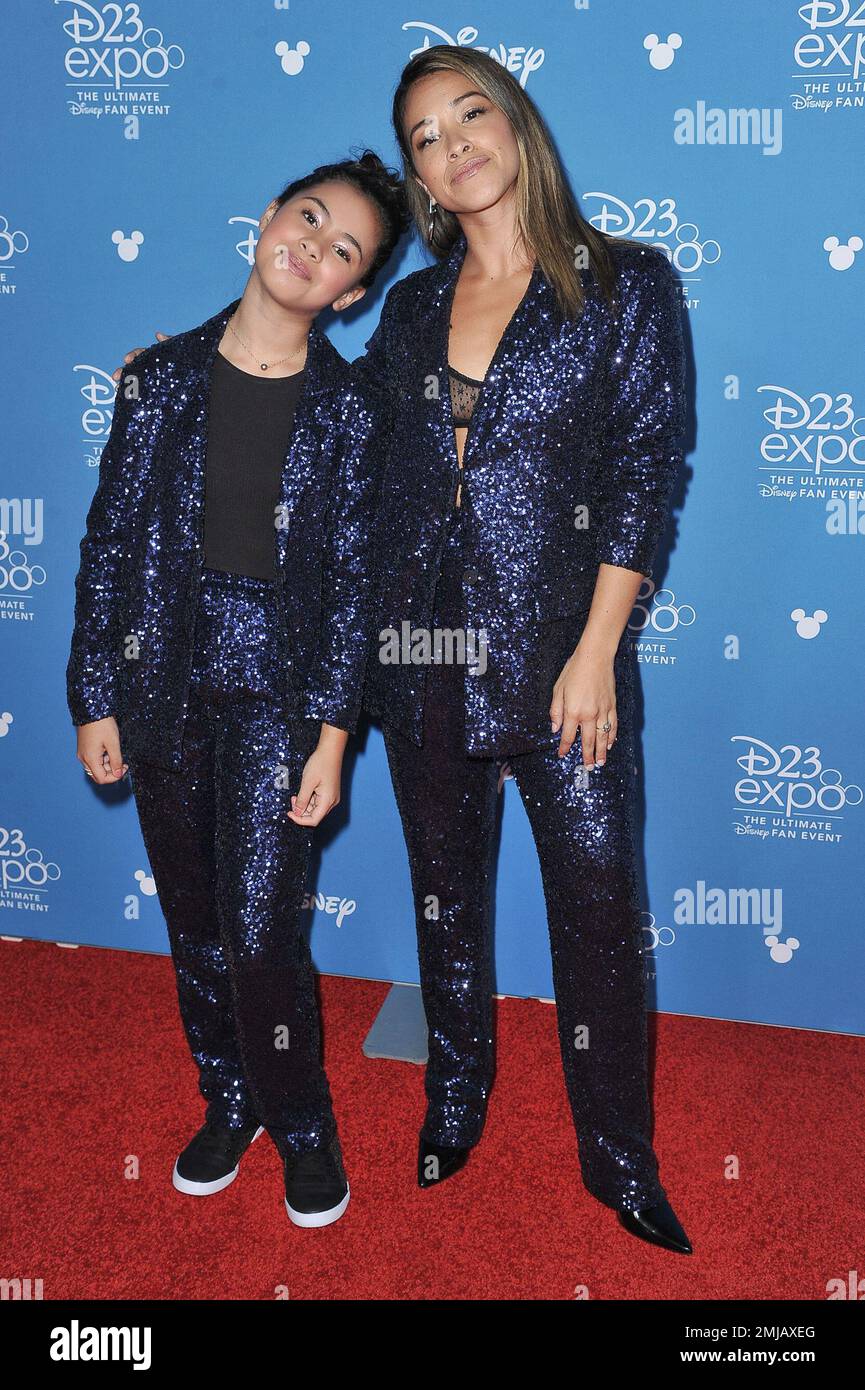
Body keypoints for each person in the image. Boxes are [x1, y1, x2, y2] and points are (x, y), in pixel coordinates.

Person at [351, 48, 693, 1255]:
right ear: (420, 177)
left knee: (597, 912)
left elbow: (647, 473)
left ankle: (617, 1155)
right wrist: (187, 370)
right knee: (445, 893)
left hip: (562, 649)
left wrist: (598, 650)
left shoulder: (625, 284)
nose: (452, 145)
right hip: (422, 641)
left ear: (516, 124)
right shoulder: (405, 309)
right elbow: (345, 434)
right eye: (424, 136)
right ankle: (456, 1094)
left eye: (468, 114)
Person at [67, 151, 409, 1229]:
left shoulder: (353, 413)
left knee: (263, 927)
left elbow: (355, 581)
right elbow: (109, 541)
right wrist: (93, 694)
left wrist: (332, 734)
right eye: (307, 218)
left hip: (278, 686)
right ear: (266, 218)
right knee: (196, 921)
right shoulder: (157, 376)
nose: (313, 246)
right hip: (158, 667)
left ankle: (302, 1125)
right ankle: (228, 1099)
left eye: (342, 248)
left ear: (351, 292)